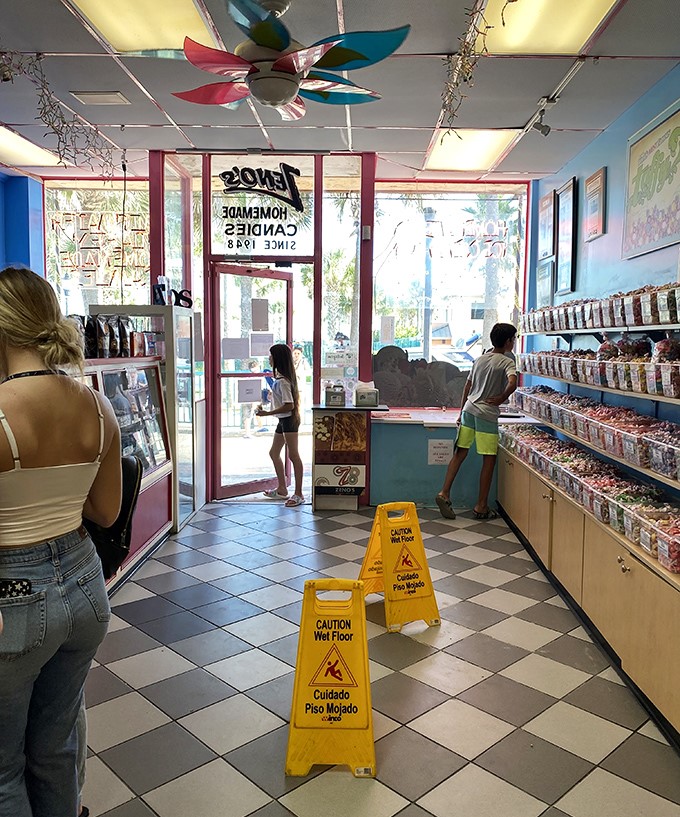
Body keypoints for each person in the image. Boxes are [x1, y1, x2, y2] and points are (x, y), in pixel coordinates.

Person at [0, 266, 122, 817]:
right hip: (84, 584)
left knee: (3, 769)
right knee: (55, 749)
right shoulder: (97, 407)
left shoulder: (2, 414)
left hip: (15, 599)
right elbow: (106, 510)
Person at [435, 322, 518, 521]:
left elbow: (467, 386)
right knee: (488, 459)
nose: (514, 342)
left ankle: (444, 493)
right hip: (487, 414)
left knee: (460, 453)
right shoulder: (507, 361)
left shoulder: (480, 359)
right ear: (508, 342)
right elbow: (513, 382)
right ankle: (481, 506)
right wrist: (500, 397)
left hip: (469, 410)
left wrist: (460, 411)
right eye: (513, 339)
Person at [256, 343, 304, 507]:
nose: (269, 358)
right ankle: (282, 489)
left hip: (289, 420)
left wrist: (267, 413)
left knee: (293, 455)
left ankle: (298, 493)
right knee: (274, 452)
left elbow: (289, 405)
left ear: (277, 358)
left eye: (271, 355)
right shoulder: (281, 379)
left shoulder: (283, 381)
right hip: (283, 420)